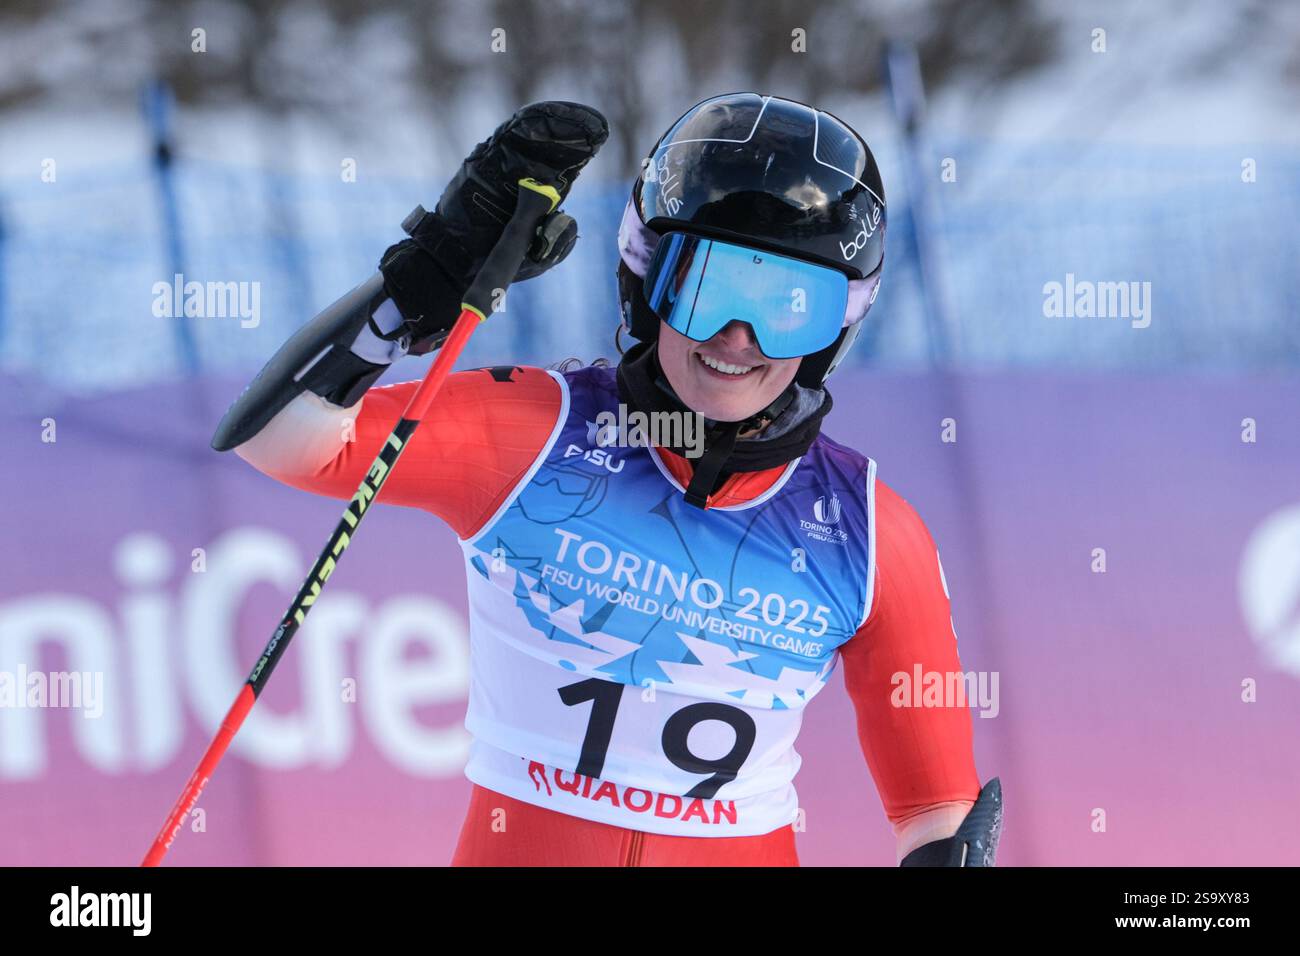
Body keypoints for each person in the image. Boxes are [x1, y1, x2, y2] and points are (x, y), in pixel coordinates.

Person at [212, 93, 1001, 867]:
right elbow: (281, 440)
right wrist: (417, 288)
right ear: (647, 281)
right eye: (710, 287)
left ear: (833, 331)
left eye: (788, 306)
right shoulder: (535, 433)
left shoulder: (869, 536)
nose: (738, 337)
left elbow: (934, 807)